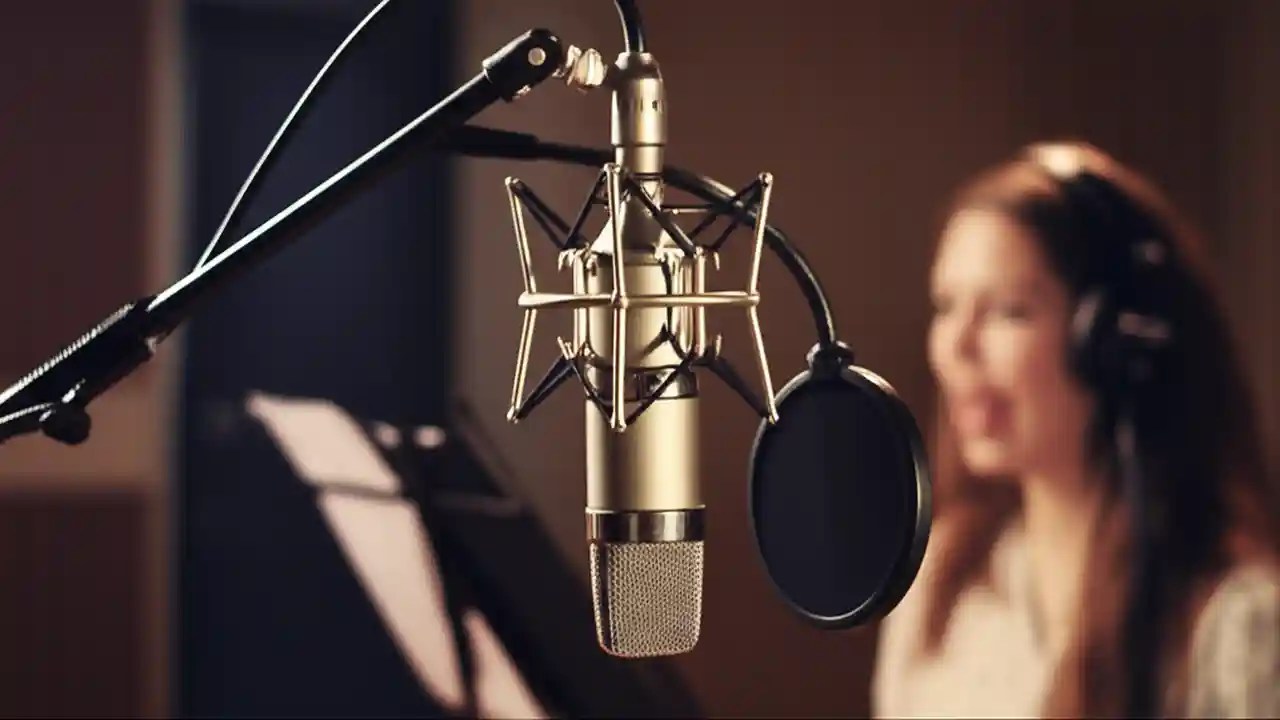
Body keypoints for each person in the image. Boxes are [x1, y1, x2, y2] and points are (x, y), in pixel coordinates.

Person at [872, 141, 1280, 718]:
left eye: (1009, 310)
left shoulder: (1236, 625)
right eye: (946, 305)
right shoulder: (939, 582)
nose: (955, 347)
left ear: (1108, 343)